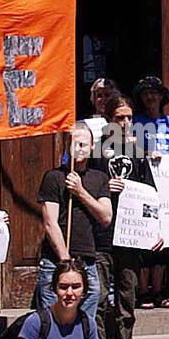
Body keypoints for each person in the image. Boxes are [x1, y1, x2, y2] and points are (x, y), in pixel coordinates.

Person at [92, 93, 161, 339]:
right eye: (119, 117)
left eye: (129, 117)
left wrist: (155, 229)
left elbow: (150, 194)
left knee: (127, 298)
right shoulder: (96, 151)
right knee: (97, 299)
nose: (125, 122)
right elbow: (88, 186)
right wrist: (106, 189)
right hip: (102, 237)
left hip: (131, 237)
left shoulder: (138, 152)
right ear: (108, 120)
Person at [36, 121, 111, 324]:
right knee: (51, 323)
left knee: (86, 321)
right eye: (74, 143)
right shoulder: (54, 177)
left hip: (87, 261)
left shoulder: (99, 178)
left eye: (83, 144)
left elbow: (105, 216)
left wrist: (80, 191)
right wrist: (65, 260)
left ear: (92, 146)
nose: (78, 149)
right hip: (57, 262)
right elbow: (50, 223)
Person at [132, 75, 169, 308]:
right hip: (145, 183)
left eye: (155, 93)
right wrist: (146, 151)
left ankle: (161, 291)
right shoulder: (135, 122)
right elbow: (128, 147)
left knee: (167, 240)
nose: (151, 97)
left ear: (162, 97)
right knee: (146, 239)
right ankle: (143, 291)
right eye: (146, 94)